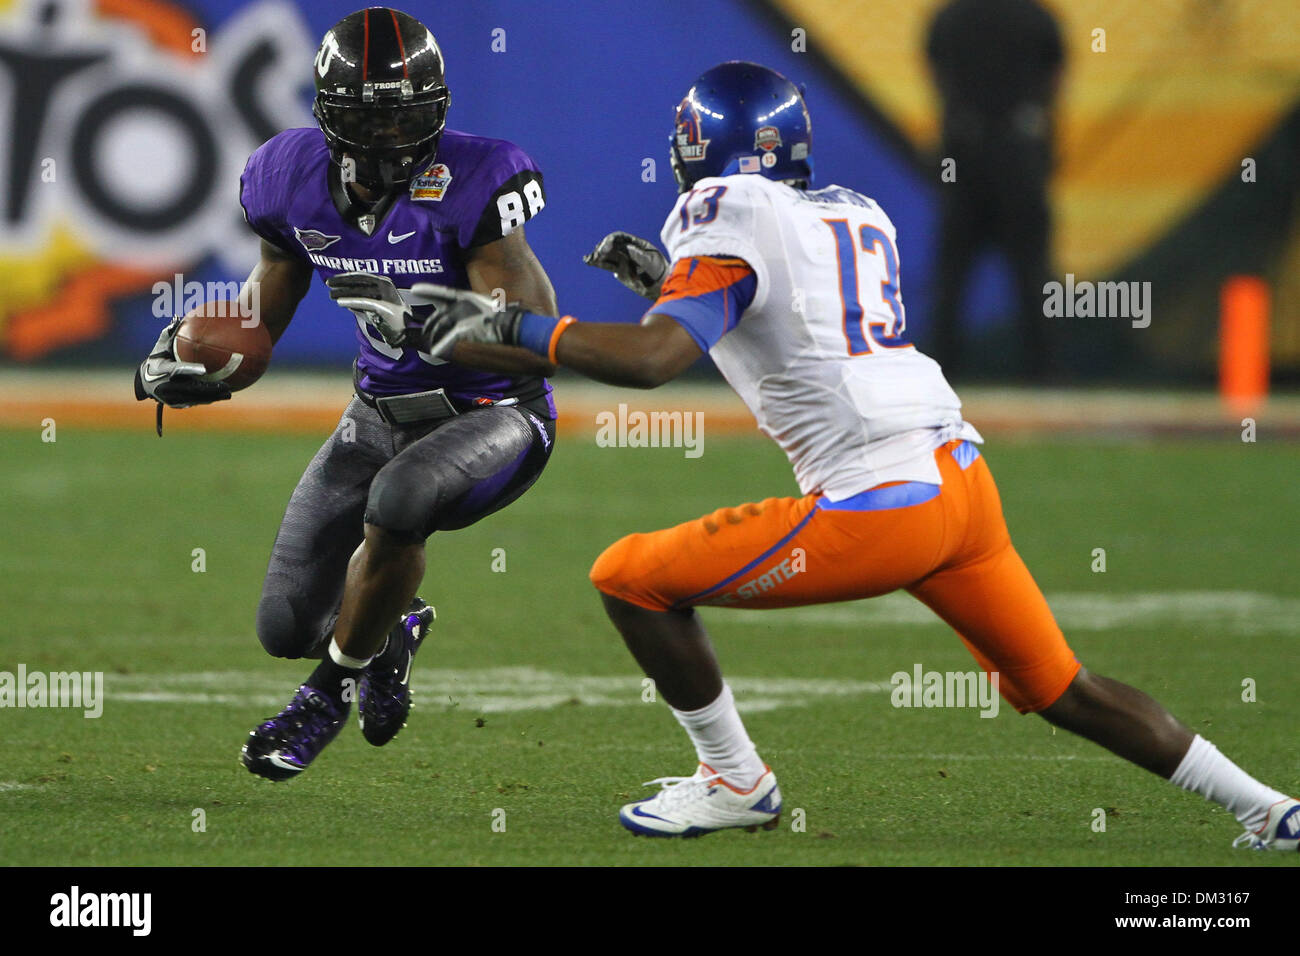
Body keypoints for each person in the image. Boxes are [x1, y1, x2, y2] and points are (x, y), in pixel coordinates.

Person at [402, 60, 1299, 847]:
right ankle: (1269, 807)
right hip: (960, 486)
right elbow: (799, 325)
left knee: (628, 576)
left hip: (881, 507)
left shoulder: (727, 207)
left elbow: (653, 362)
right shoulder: (851, 211)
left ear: (703, 147)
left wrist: (512, 326)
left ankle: (735, 783)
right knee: (1064, 688)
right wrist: (667, 284)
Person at [134, 7, 559, 781]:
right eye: (375, 120)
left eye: (408, 118)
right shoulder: (284, 180)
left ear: (437, 109)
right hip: (375, 416)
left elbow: (536, 342)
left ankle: (323, 697)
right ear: (331, 116)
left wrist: (445, 327)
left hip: (494, 415)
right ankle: (388, 633)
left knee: (400, 502)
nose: (395, 138)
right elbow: (266, 305)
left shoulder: (481, 177)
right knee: (285, 622)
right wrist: (196, 359)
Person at [926, 0, 1064, 378]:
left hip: (963, 149)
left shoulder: (950, 16)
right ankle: (1045, 375)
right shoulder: (1036, 16)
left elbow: (937, 72)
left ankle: (940, 374)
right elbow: (1054, 75)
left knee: (952, 275)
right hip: (1018, 154)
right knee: (1032, 271)